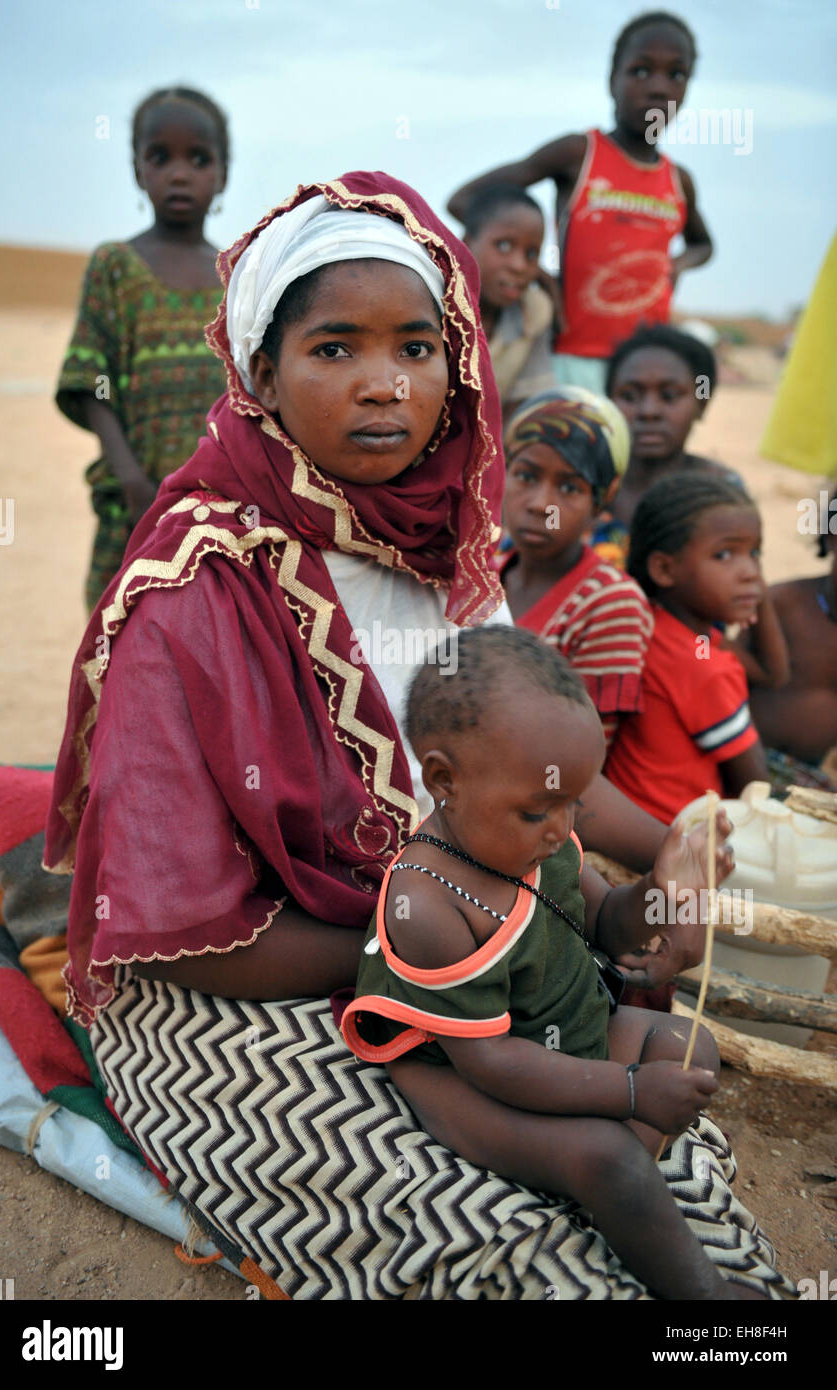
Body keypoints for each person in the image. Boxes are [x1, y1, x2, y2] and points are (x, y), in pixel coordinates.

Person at [43, 174, 789, 1300]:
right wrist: (450, 942)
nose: (384, 384)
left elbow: (528, 783)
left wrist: (647, 887)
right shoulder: (192, 586)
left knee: (669, 1170)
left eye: (417, 348)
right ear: (259, 373)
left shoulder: (449, 540)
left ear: (458, 366)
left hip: (463, 935)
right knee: (481, 1226)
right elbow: (194, 931)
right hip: (249, 985)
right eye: (334, 349)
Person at [342, 626, 767, 1301]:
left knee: (687, 1044)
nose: (559, 825)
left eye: (573, 801)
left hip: (565, 1043)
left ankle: (601, 1195)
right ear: (444, 779)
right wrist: (629, 1092)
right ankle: (704, 1303)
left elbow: (605, 922)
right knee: (606, 1156)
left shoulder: (541, 836)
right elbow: (494, 1064)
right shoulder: (426, 905)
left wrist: (660, 892)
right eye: (540, 807)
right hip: (474, 1084)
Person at [447, 11, 713, 394]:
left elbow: (704, 244)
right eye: (640, 71)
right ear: (611, 81)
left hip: (642, 364)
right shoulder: (579, 154)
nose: (658, 88)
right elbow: (465, 201)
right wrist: (532, 271)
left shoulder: (678, 180)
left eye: (676, 74)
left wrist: (678, 264)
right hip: (572, 357)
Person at [56, 86, 230, 611]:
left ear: (222, 174)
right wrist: (129, 475)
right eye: (160, 157)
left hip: (222, 504)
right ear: (137, 171)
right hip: (137, 500)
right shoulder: (115, 266)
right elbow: (90, 377)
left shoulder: (235, 273)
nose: (179, 173)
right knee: (123, 638)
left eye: (198, 159)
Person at [605, 474, 788, 824]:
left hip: (636, 816)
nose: (750, 571)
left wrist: (754, 596)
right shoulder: (702, 666)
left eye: (754, 553)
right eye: (724, 554)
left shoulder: (659, 627)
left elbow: (769, 673)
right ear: (663, 568)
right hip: (679, 833)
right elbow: (755, 787)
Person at [499, 388, 653, 745]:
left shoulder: (610, 603)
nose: (540, 505)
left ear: (601, 501)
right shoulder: (481, 573)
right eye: (525, 476)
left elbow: (581, 756)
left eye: (569, 487)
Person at [592, 323, 732, 566]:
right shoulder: (580, 484)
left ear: (702, 403)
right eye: (629, 396)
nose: (648, 412)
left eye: (669, 395)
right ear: (609, 402)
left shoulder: (723, 491)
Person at [746, 482, 837, 789]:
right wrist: (702, 645)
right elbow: (715, 661)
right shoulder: (782, 603)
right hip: (749, 763)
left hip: (819, 785)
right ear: (831, 536)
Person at [460, 185, 554, 411]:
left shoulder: (533, 311)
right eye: (503, 245)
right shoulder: (431, 304)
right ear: (467, 243)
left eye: (531, 254)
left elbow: (526, 406)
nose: (519, 266)